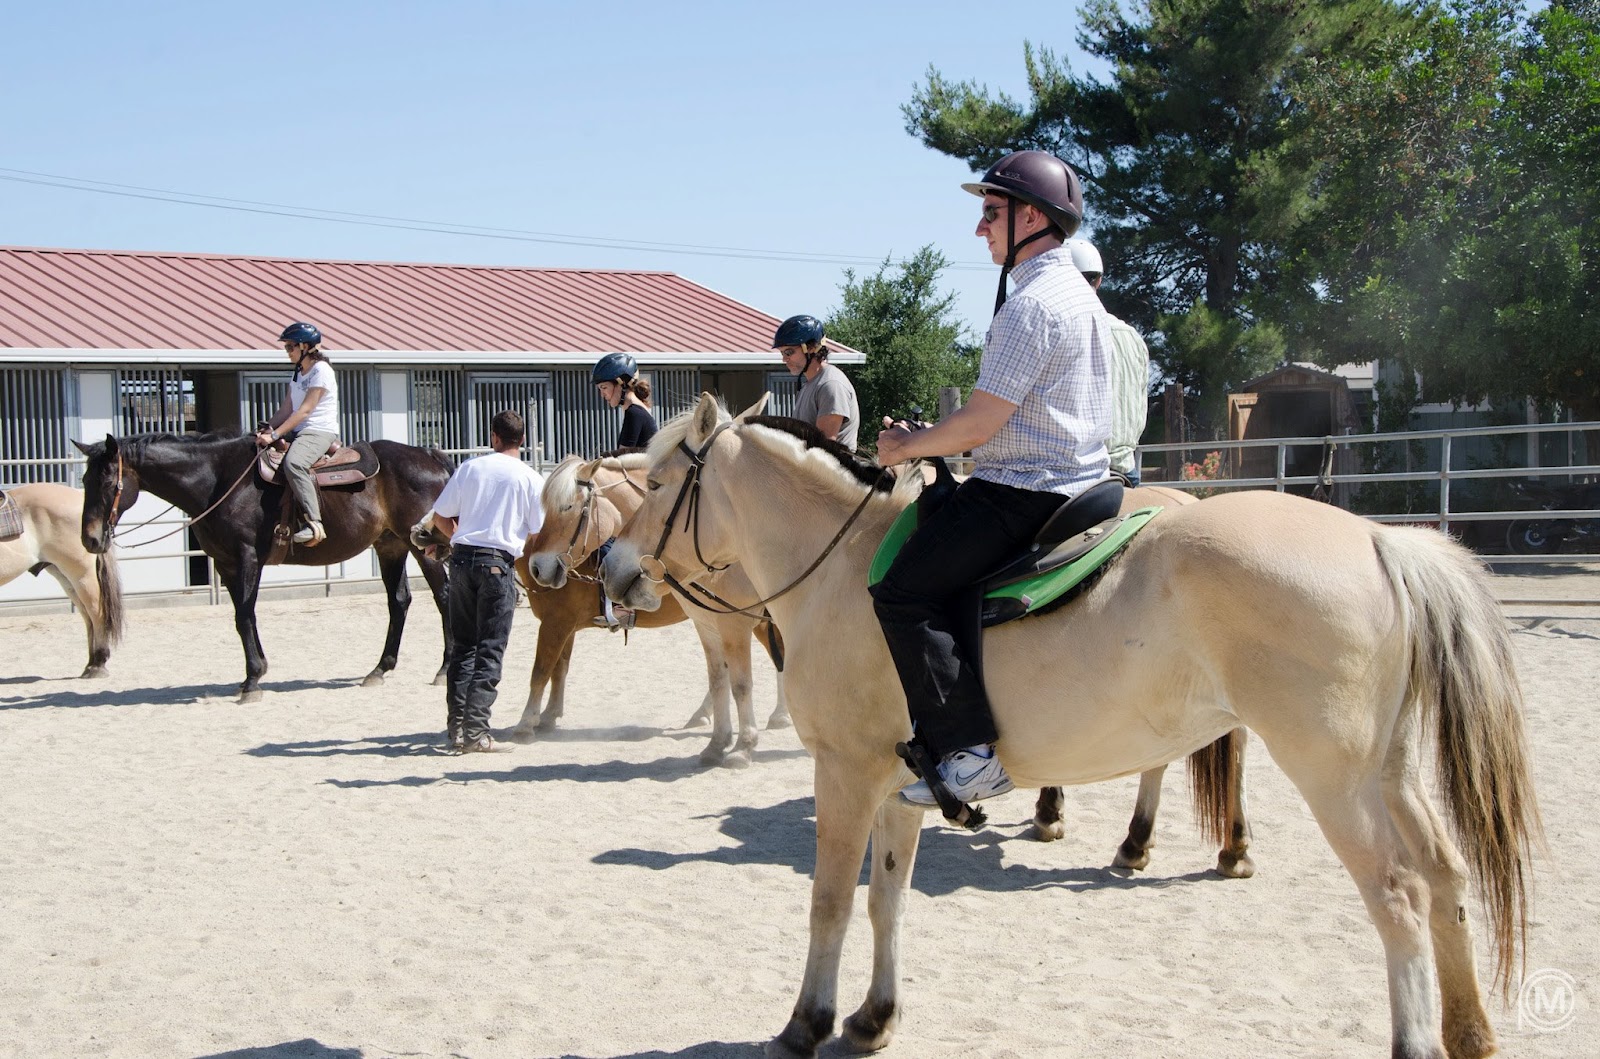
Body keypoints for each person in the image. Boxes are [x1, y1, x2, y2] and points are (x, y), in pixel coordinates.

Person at [873, 150, 1115, 807]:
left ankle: (970, 753)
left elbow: (979, 425)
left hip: (1024, 490)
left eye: (990, 213)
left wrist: (904, 447)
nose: (981, 228)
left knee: (900, 591)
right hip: (1082, 479)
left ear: (1032, 216)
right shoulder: (1079, 297)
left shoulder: (1031, 303)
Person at [429, 410, 545, 753]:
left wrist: (455, 538)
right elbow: (536, 533)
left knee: (462, 648)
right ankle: (477, 731)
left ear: (494, 436)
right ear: (521, 441)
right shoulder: (530, 478)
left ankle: (457, 730)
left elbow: (439, 515)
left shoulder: (470, 468)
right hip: (498, 566)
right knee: (490, 649)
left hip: (462, 562)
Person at [1071, 239, 1150, 485]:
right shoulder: (1132, 337)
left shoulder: (1066, 333)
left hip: (1081, 474)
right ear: (1099, 281)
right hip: (1126, 470)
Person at [256, 322, 340, 545]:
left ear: (304, 346)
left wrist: (274, 437)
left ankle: (314, 523)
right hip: (298, 430)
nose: (287, 352)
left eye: (290, 347)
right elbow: (286, 409)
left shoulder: (321, 371)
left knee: (294, 463)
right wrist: (267, 429)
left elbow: (305, 410)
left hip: (318, 431)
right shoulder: (298, 373)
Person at [774, 314, 860, 451]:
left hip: (832, 471)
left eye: (789, 352)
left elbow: (823, 448)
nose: (784, 359)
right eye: (782, 353)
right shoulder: (810, 384)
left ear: (811, 347)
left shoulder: (831, 385)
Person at [593, 353, 658, 449]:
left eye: (604, 387)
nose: (602, 394)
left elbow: (622, 459)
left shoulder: (634, 413)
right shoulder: (637, 411)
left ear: (621, 384)